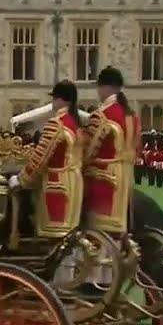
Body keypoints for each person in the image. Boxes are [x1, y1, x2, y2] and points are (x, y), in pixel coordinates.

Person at [81, 67, 139, 285]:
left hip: (104, 180)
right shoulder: (132, 116)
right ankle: (110, 278)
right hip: (125, 179)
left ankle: (92, 279)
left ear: (104, 87)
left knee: (95, 229)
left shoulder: (103, 115)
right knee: (114, 233)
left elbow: (89, 151)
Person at [11, 80, 83, 239]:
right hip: (74, 184)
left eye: (54, 99)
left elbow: (41, 157)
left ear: (61, 100)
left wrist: (21, 179)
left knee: (52, 234)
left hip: (56, 183)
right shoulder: (75, 124)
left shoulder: (57, 124)